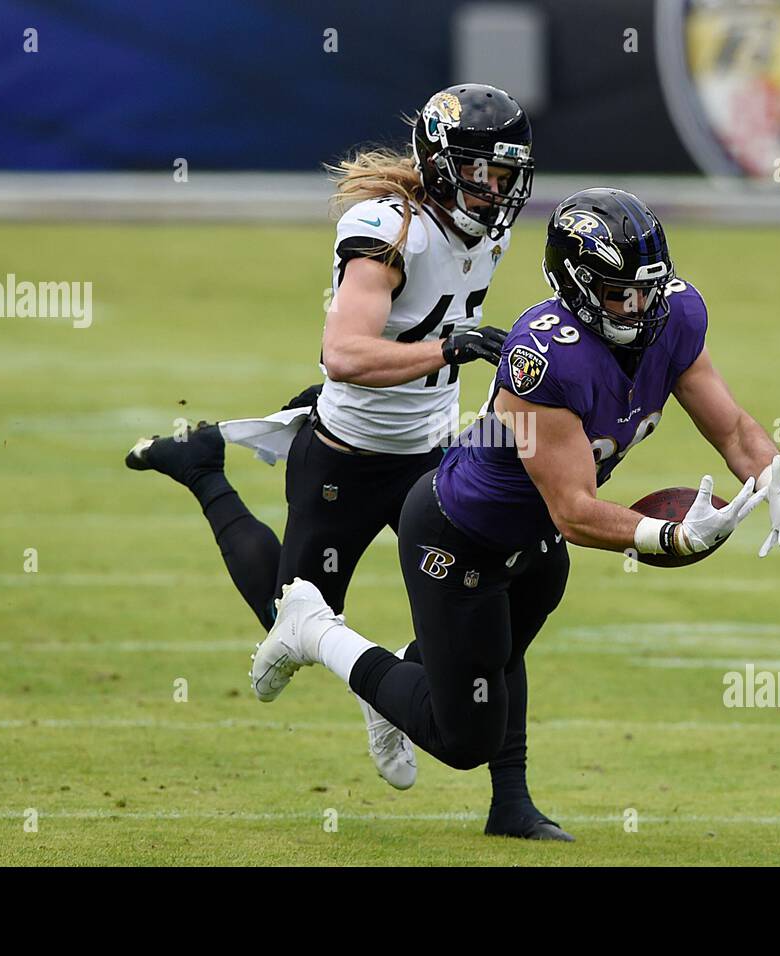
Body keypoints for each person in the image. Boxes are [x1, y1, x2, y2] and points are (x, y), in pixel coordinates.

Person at [250, 187, 780, 830]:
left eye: (650, 288)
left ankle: (510, 806)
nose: (640, 305)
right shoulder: (542, 359)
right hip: (458, 536)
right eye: (622, 291)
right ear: (578, 284)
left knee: (505, 655)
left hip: (534, 539)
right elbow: (574, 509)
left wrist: (772, 472)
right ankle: (314, 632)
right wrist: (669, 538)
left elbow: (732, 428)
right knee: (461, 738)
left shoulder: (674, 319)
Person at [126, 85, 562, 839]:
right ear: (439, 162)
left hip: (432, 456)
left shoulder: (488, 231)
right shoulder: (387, 229)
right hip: (347, 458)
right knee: (286, 615)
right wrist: (450, 347)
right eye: (480, 172)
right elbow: (343, 353)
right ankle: (204, 470)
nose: (495, 191)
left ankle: (509, 800)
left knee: (499, 595)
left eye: (505, 175)